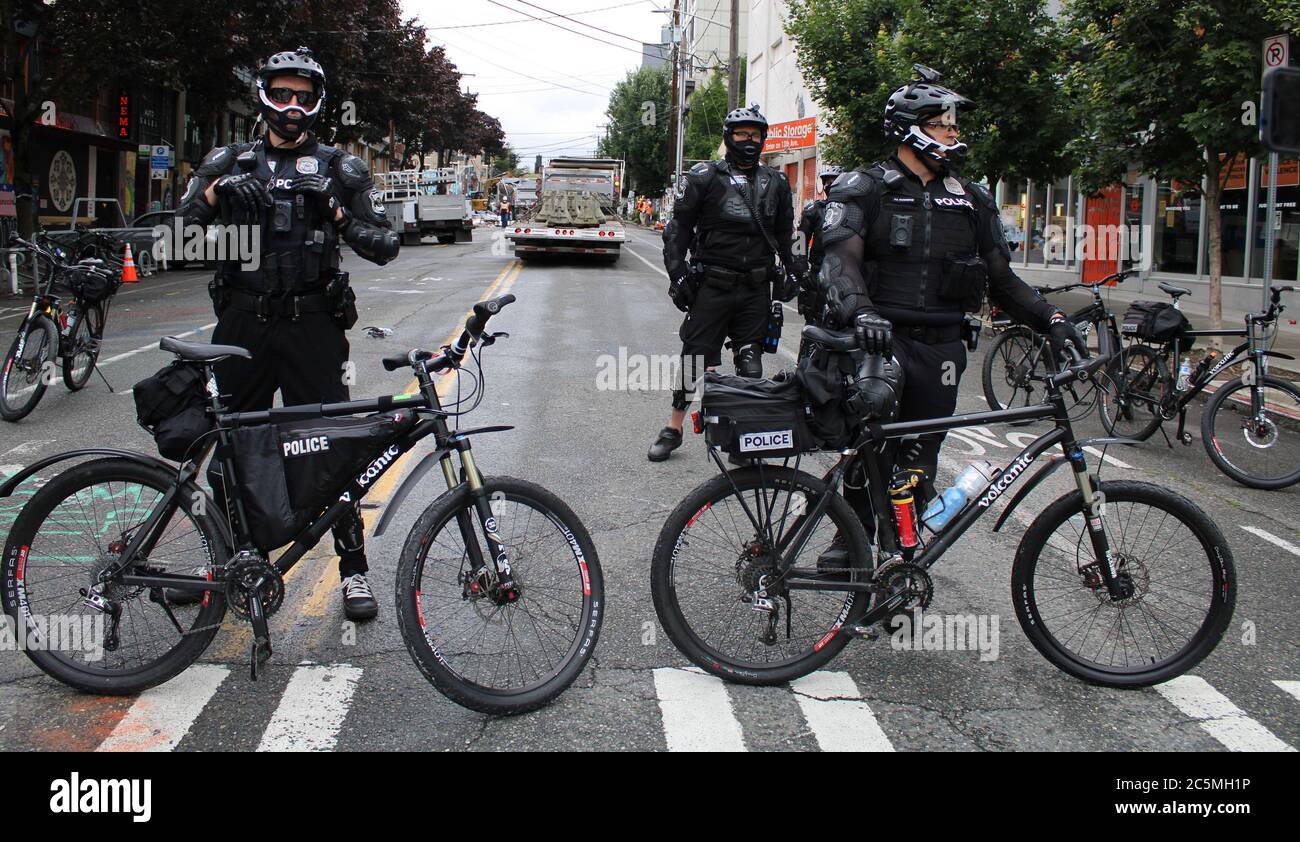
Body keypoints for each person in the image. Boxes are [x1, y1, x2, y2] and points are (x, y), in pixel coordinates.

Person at [814, 65, 1084, 557]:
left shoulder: (972, 199)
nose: (954, 133)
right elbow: (838, 261)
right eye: (943, 123)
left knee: (920, 458)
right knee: (871, 446)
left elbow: (1002, 281)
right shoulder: (863, 187)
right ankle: (848, 539)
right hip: (881, 342)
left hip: (942, 347)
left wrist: (1053, 320)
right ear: (910, 127)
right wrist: (862, 314)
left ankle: (902, 555)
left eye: (955, 124)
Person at [178, 46, 400, 620]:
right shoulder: (230, 161)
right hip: (242, 325)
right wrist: (213, 195)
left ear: (318, 102)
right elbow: (169, 240)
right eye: (282, 94)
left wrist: (339, 215)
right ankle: (223, 564)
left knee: (337, 452)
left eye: (304, 96)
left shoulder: (339, 168)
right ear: (263, 95)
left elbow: (385, 246)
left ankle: (353, 572)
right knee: (226, 447)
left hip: (313, 328)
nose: (293, 106)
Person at [647, 104, 808, 462]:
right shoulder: (705, 177)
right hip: (712, 287)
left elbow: (787, 234)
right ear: (728, 138)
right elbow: (679, 229)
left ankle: (743, 436)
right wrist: (678, 274)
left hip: (755, 290)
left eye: (755, 135)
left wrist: (796, 270)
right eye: (741, 134)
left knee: (750, 363)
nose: (749, 141)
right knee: (694, 359)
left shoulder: (777, 182)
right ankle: (673, 428)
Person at [794, 164, 844, 357]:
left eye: (833, 181)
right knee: (813, 325)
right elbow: (799, 241)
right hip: (817, 275)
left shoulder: (854, 210)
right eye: (826, 181)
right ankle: (804, 363)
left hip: (843, 276)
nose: (829, 185)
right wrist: (801, 271)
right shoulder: (814, 210)